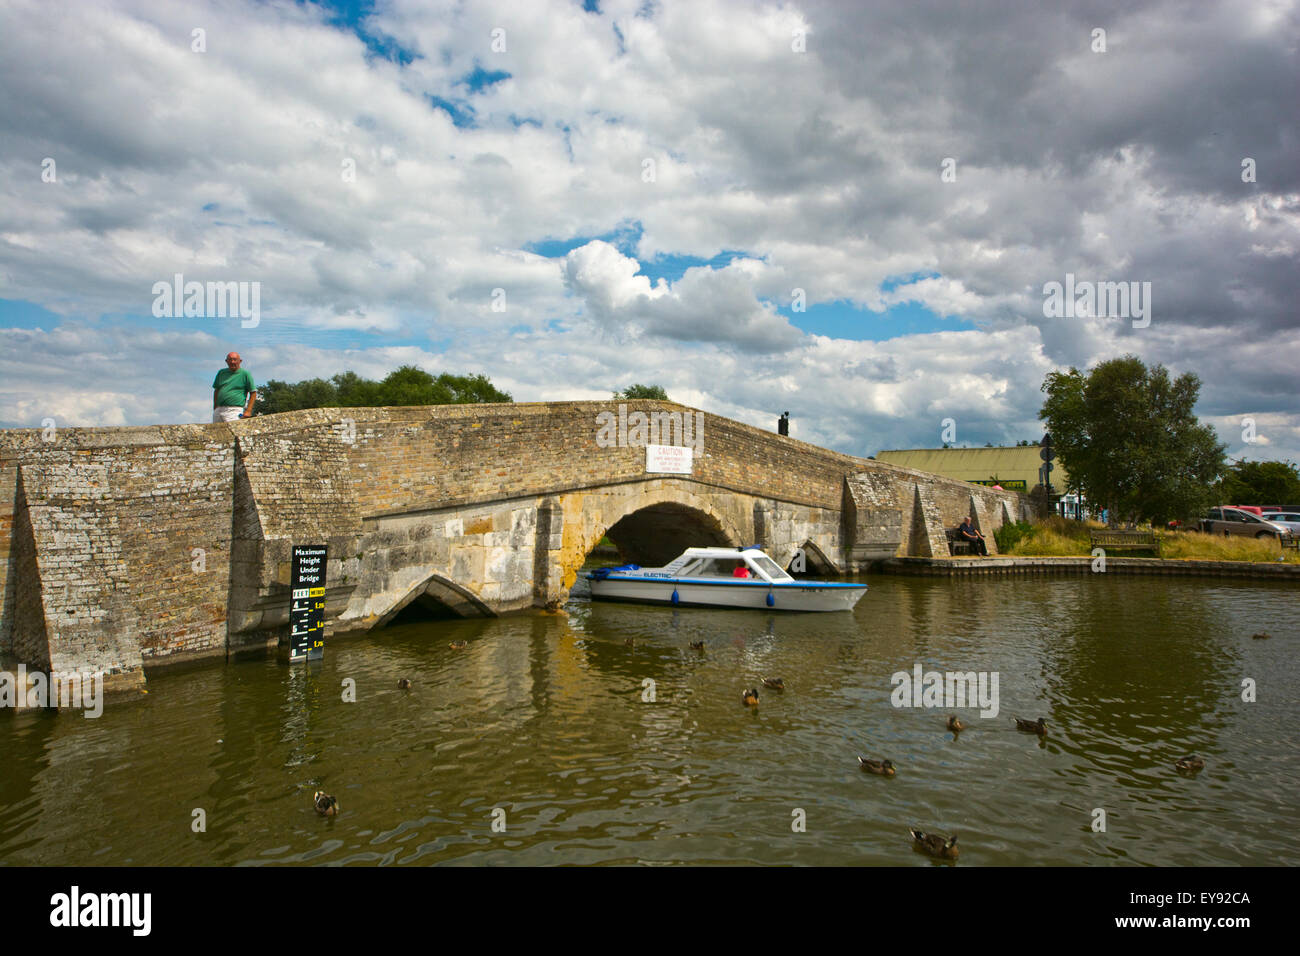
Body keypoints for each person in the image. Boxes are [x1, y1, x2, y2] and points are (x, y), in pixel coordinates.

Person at [213, 352, 257, 423]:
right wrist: (215, 407)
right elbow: (217, 390)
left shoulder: (245, 374)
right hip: (219, 409)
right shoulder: (221, 373)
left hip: (234, 410)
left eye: (235, 359)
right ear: (226, 361)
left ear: (240, 361)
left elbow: (253, 393)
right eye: (230, 360)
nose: (232, 362)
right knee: (215, 432)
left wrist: (248, 410)